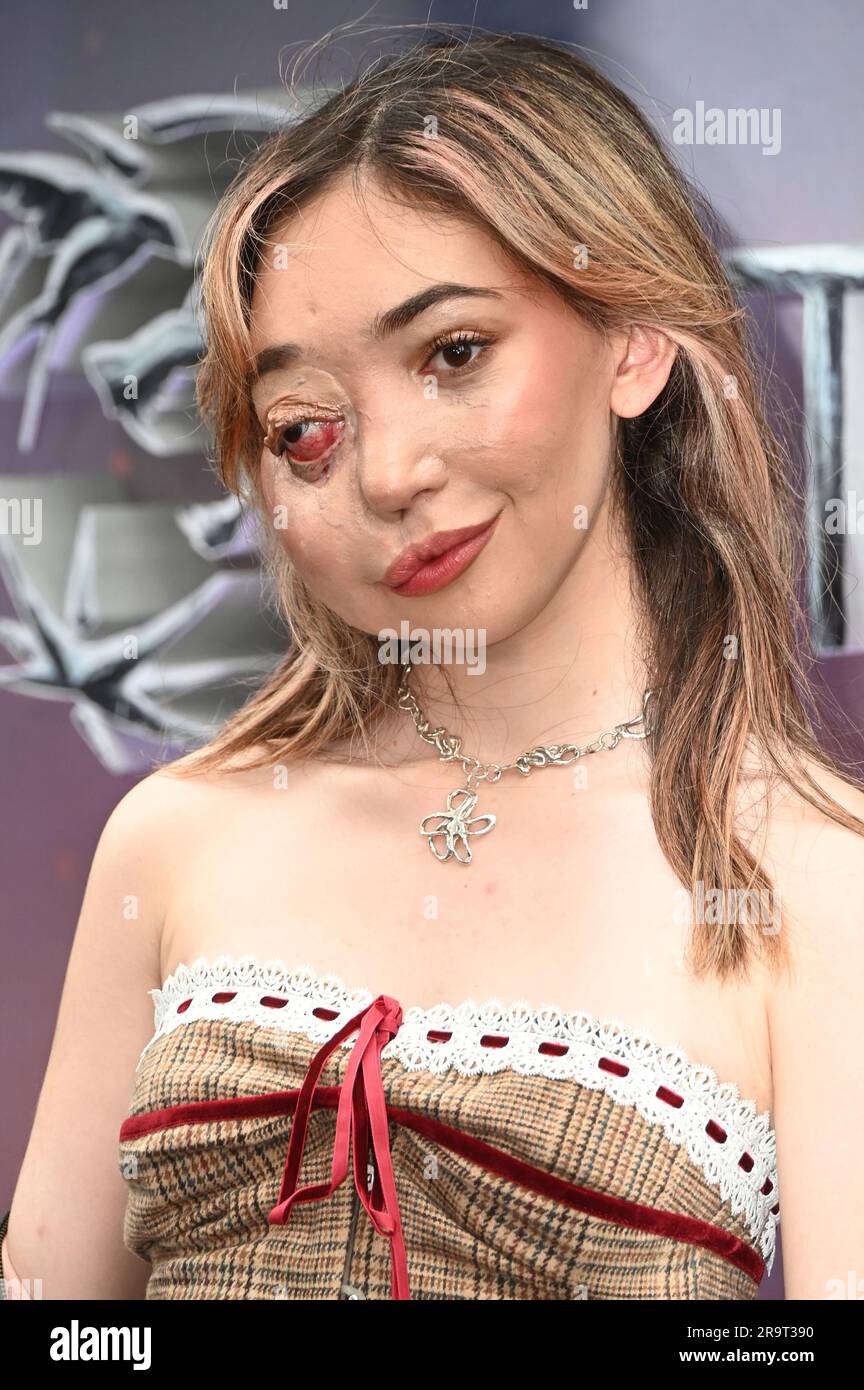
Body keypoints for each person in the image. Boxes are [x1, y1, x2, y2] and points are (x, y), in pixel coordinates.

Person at [4, 26, 864, 1302]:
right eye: (306, 431)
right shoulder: (177, 838)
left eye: (455, 355)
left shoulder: (809, 877)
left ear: (632, 340)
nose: (390, 474)